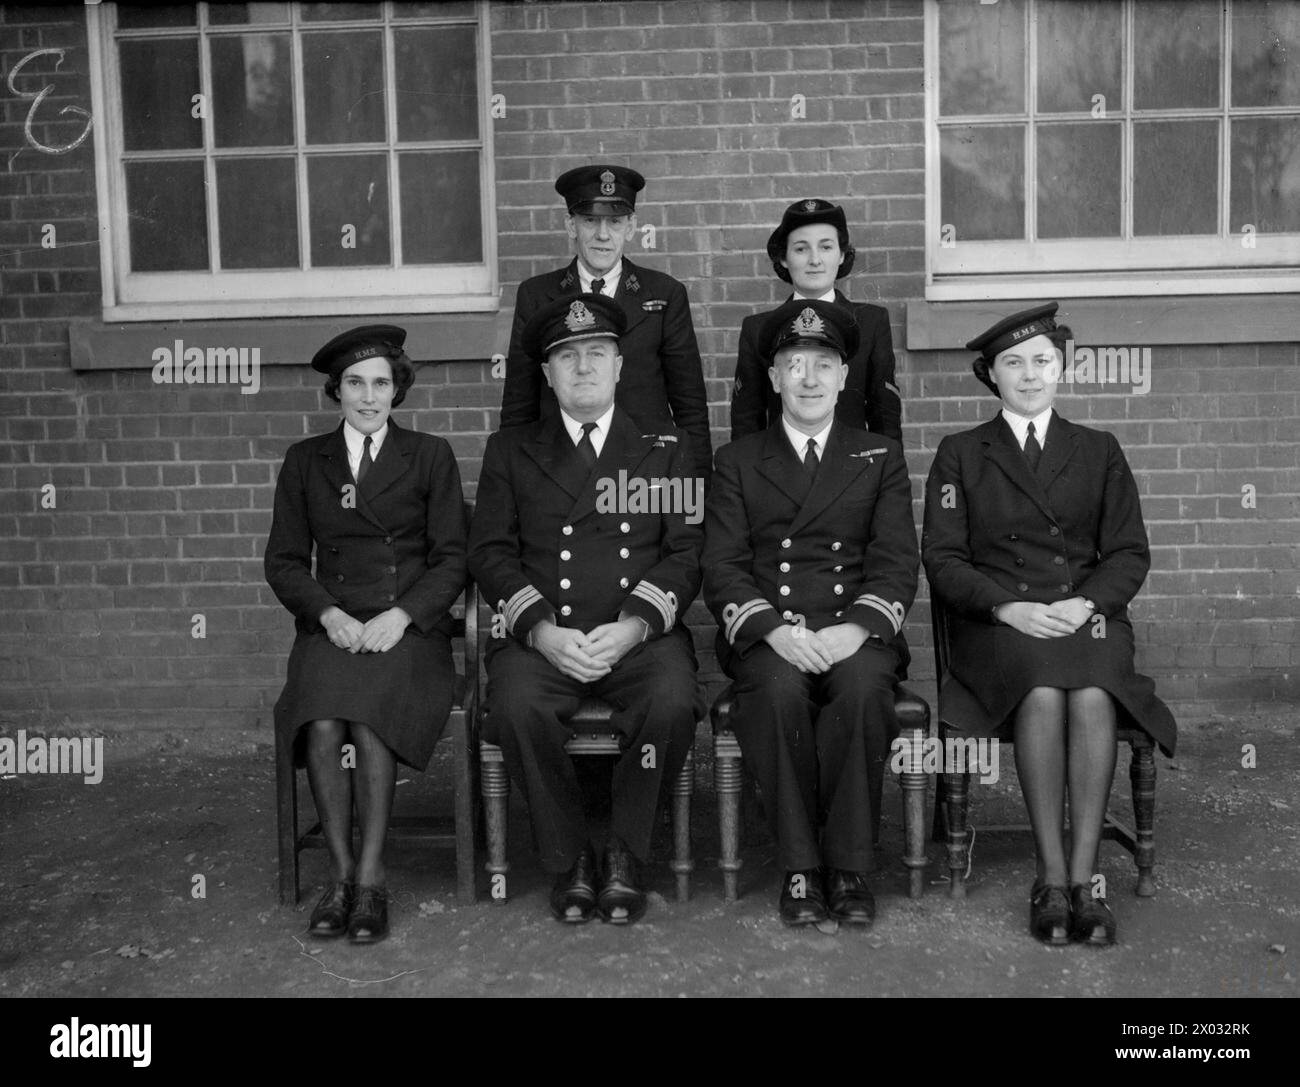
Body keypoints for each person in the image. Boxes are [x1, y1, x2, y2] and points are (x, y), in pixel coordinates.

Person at [922, 302, 1177, 947]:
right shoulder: (959, 456)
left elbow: (1129, 552)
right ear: (991, 377)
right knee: (1040, 690)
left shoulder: (1099, 450)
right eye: (1013, 364)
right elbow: (943, 558)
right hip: (1000, 625)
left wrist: (1086, 603)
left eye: (1041, 361)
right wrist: (1008, 608)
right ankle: (1050, 876)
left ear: (1061, 368)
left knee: (1091, 694)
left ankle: (1086, 883)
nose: (1029, 376)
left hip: (1085, 617)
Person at [471, 294, 704, 926]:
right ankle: (569, 856)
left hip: (637, 635)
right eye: (567, 357)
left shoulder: (666, 448)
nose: (582, 368)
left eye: (596, 353)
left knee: (674, 700)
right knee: (516, 707)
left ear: (620, 365)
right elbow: (490, 554)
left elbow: (685, 555)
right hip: (545, 635)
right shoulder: (511, 450)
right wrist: (541, 630)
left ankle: (625, 853)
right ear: (546, 373)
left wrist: (633, 626)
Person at [703, 298, 918, 928]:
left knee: (860, 692)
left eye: (823, 363)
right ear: (772, 377)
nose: (809, 378)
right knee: (773, 693)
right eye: (794, 364)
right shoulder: (737, 461)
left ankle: (848, 866)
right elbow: (723, 566)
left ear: (845, 377)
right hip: (774, 633)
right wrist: (773, 630)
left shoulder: (878, 456)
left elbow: (897, 562)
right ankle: (799, 867)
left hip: (857, 631)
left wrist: (856, 629)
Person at [265, 325, 467, 945]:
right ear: (337, 391)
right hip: (335, 625)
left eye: (381, 382)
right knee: (323, 722)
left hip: (406, 628)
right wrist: (328, 615)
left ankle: (373, 879)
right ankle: (340, 874)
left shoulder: (430, 455)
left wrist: (402, 615)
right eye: (355, 383)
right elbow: (284, 561)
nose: (369, 396)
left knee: (370, 718)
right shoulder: (306, 461)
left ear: (396, 390)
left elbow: (453, 558)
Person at [500, 164, 712, 483]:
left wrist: (697, 495)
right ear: (571, 225)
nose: (602, 235)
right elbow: (519, 403)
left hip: (646, 473)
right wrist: (510, 486)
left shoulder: (665, 294)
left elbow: (689, 406)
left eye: (614, 221)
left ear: (631, 226)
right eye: (590, 221)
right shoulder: (537, 295)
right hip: (562, 470)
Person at [730, 198, 901, 443]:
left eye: (826, 247)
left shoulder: (870, 323)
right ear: (784, 259)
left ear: (842, 255)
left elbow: (886, 421)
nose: (815, 260)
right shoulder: (758, 329)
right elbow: (746, 423)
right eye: (801, 249)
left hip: (856, 471)